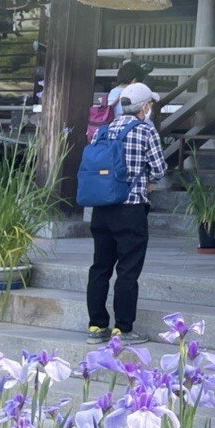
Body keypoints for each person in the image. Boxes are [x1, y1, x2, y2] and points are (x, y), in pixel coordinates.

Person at [85, 82, 166, 345]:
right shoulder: (145, 130)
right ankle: (123, 328)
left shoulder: (103, 130)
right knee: (128, 269)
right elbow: (159, 169)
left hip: (101, 208)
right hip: (130, 209)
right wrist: (149, 180)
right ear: (144, 107)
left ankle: (96, 326)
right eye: (150, 104)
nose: (150, 108)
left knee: (100, 267)